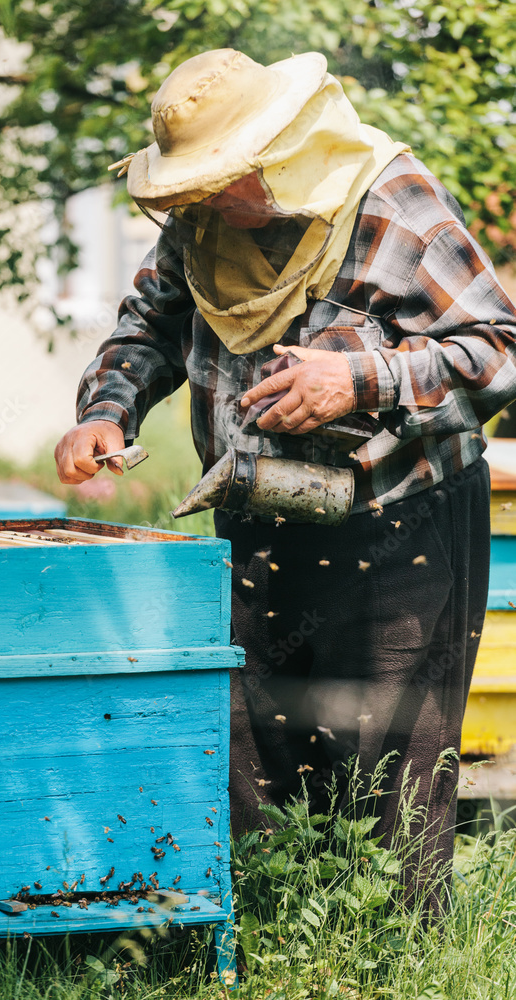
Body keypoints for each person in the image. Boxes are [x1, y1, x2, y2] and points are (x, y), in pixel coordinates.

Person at [55, 49, 516, 904]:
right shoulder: (199, 219)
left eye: (213, 182)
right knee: (255, 749)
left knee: (388, 777)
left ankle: (401, 962)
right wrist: (105, 411)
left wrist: (360, 378)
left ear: (273, 157)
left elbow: (497, 349)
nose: (196, 202)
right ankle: (270, 937)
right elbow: (147, 324)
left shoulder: (393, 202)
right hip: (258, 513)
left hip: (399, 524)